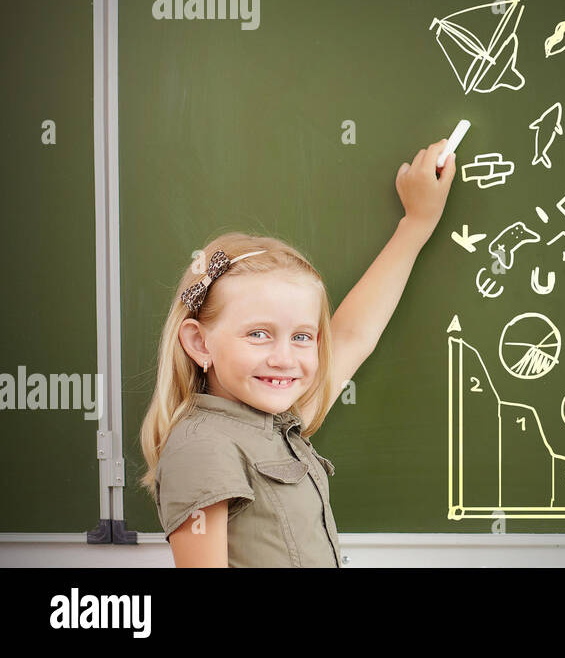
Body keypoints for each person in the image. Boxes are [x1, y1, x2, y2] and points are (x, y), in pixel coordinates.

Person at [138, 139, 456, 566]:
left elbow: (350, 337)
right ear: (199, 343)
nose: (285, 359)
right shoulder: (204, 448)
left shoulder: (272, 427)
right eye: (258, 334)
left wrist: (416, 223)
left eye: (302, 337)